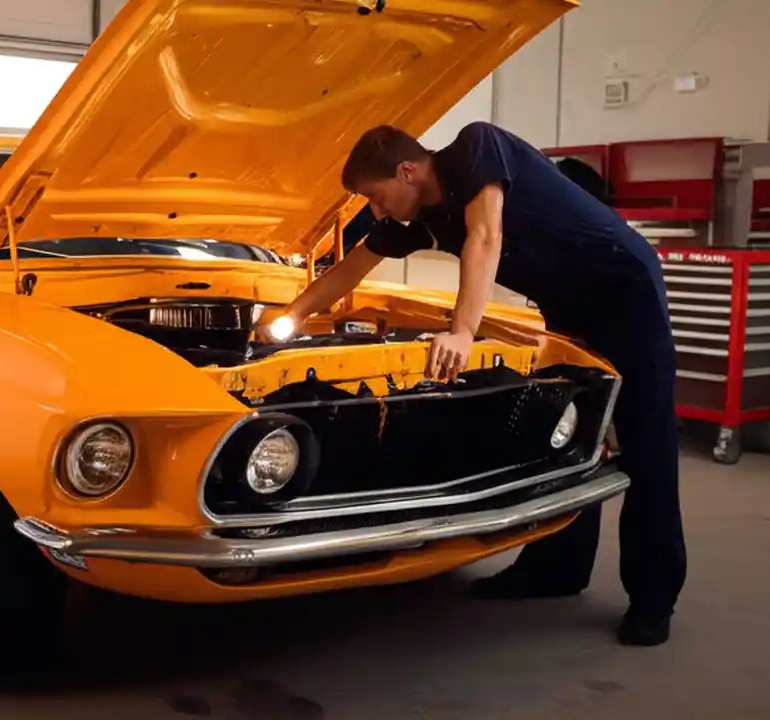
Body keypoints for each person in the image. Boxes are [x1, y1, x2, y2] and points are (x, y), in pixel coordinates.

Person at [272, 122, 686, 646]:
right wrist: (288, 318)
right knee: (566, 436)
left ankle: (654, 600)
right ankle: (556, 570)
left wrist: (462, 331)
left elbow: (486, 236)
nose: (376, 211)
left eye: (376, 196)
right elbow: (351, 268)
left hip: (625, 289)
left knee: (646, 440)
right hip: (568, 303)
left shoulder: (477, 147)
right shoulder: (420, 218)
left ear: (407, 171)